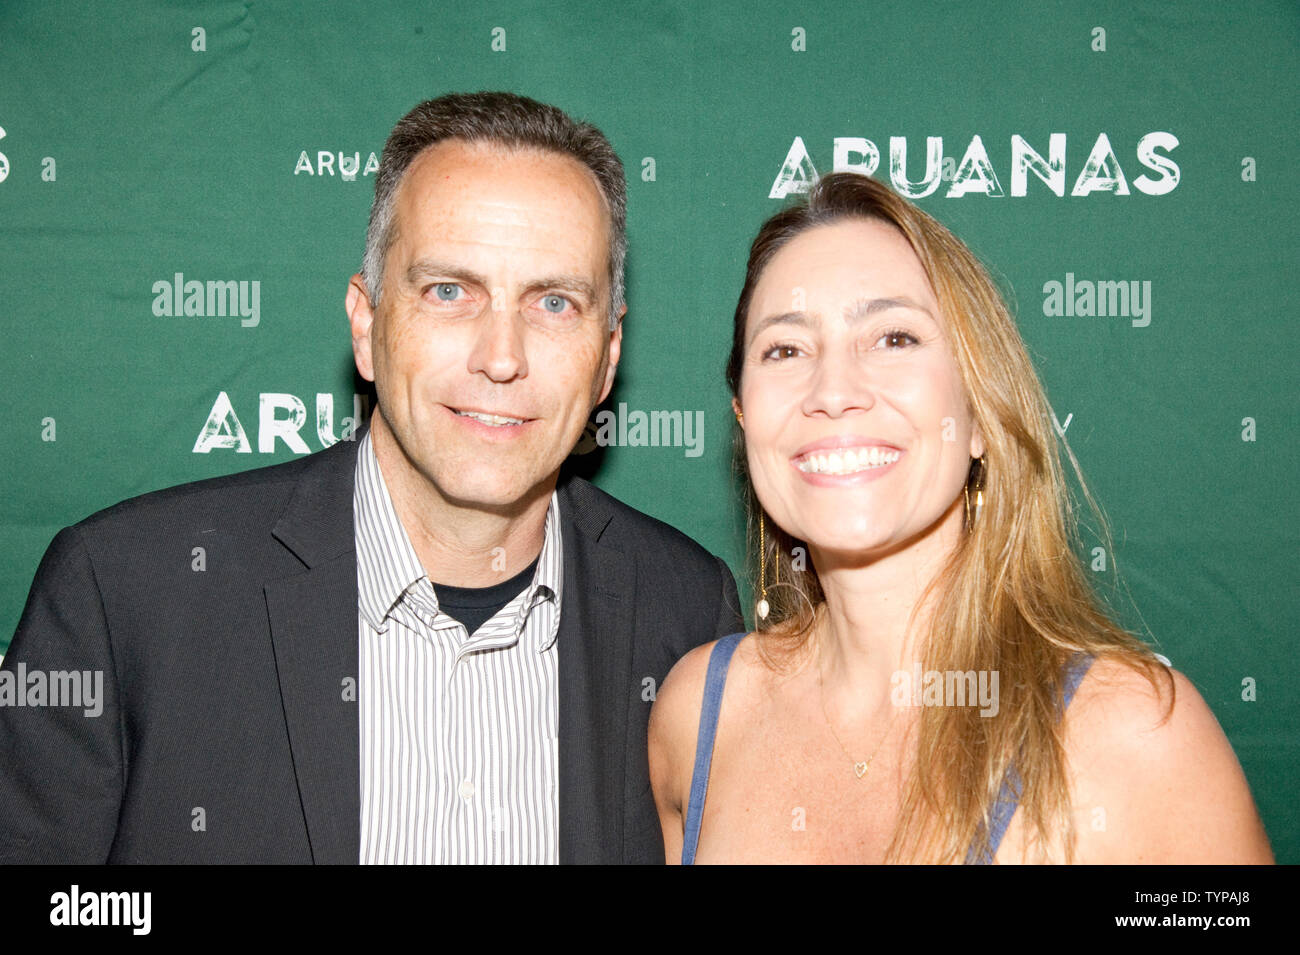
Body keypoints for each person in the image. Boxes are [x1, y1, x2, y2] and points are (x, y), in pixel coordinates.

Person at [0, 91, 743, 864]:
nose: (501, 355)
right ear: (366, 322)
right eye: (449, 291)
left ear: (607, 359)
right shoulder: (125, 595)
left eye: (553, 302)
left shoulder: (687, 615)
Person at [648, 172, 1273, 864]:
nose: (833, 390)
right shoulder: (699, 715)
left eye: (893, 337)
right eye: (785, 349)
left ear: (979, 412)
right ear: (744, 419)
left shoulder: (1136, 738)